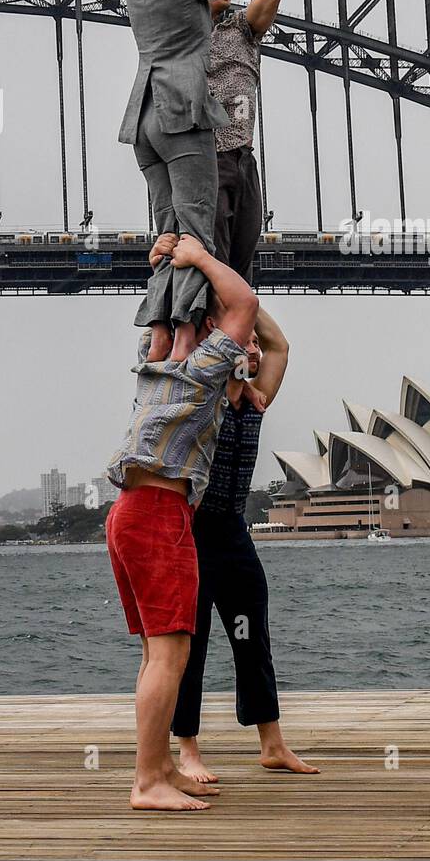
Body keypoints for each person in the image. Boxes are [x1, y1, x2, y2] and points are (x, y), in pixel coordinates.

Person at [103, 232, 258, 812]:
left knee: (155, 653)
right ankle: (147, 781)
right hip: (159, 515)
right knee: (170, 654)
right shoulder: (205, 372)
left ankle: (162, 763)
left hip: (127, 514)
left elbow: (164, 326)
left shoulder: (154, 369)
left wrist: (167, 263)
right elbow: (245, 304)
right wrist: (199, 259)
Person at [165, 299, 318, 780]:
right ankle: (187, 749)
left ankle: (272, 744)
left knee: (253, 636)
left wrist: (243, 302)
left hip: (233, 532)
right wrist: (223, 315)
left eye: (252, 342)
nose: (253, 349)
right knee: (191, 645)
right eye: (244, 342)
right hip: (191, 534)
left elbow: (281, 345)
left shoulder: (256, 399)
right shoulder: (198, 397)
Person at [118, 0, 255, 363]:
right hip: (183, 114)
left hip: (144, 118)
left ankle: (158, 332)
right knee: (197, 235)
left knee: (167, 234)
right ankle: (181, 340)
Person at [204, 0, 284, 280]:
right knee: (215, 261)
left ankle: (237, 333)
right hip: (206, 158)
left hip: (243, 158)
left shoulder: (242, 28)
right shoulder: (181, 32)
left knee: (242, 261)